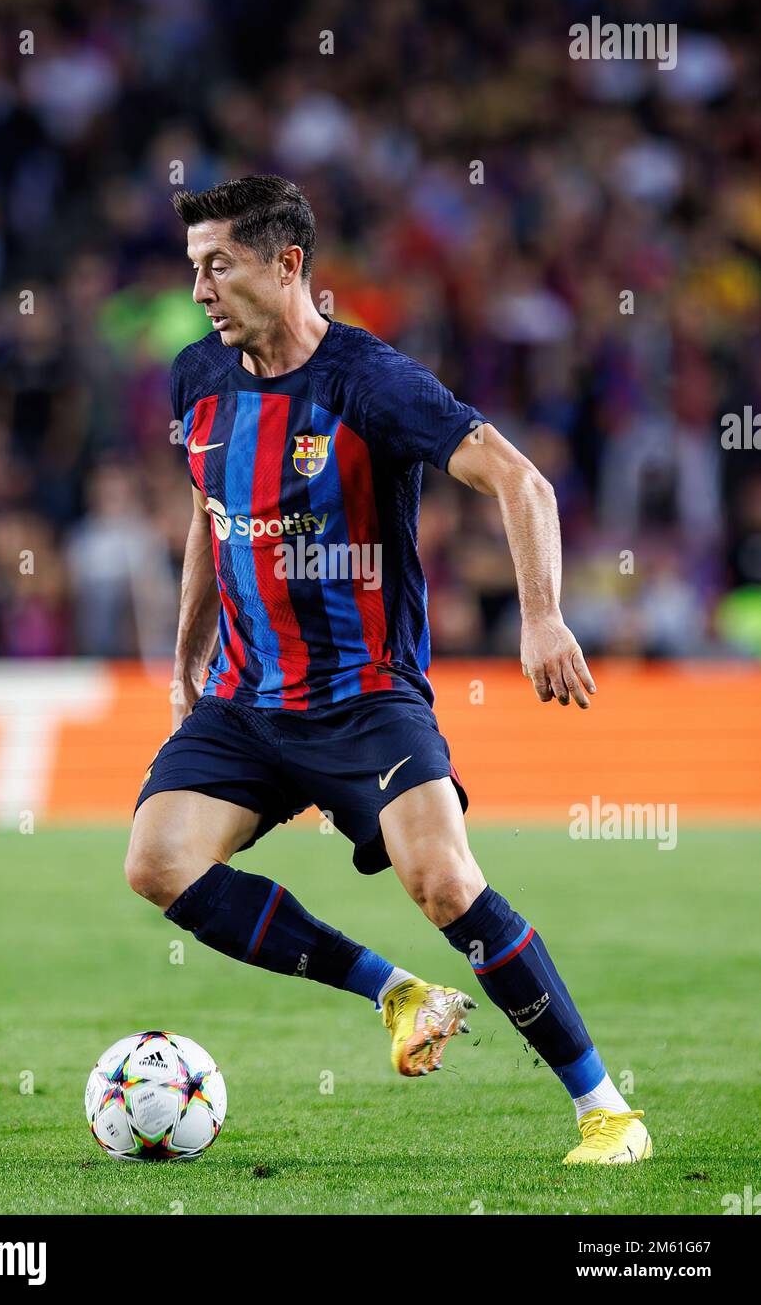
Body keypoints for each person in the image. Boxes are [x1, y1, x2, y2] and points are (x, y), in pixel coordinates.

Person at [125, 175, 650, 1166]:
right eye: (192, 265)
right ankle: (395, 992)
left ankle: (605, 1108)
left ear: (287, 266)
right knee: (156, 861)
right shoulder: (197, 377)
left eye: (218, 265)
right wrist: (186, 661)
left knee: (443, 880)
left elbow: (518, 478)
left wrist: (540, 618)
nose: (198, 287)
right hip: (243, 700)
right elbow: (208, 511)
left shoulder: (369, 381)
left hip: (364, 698)